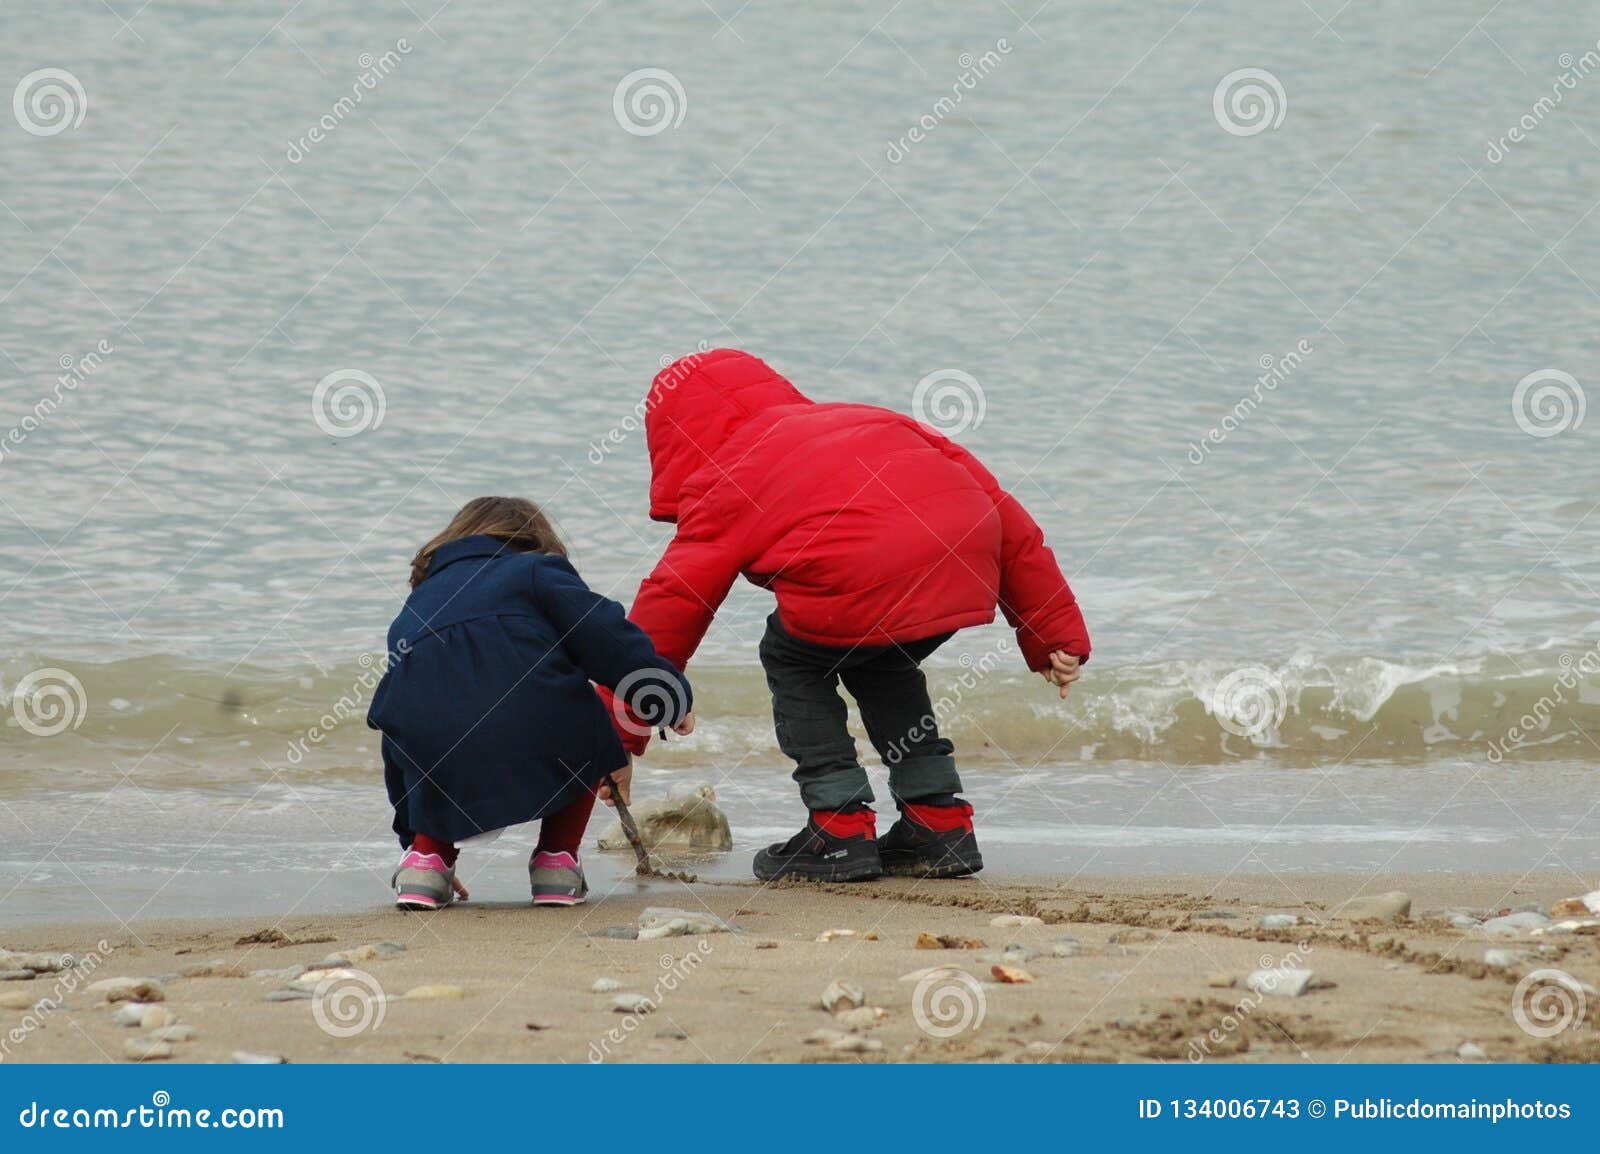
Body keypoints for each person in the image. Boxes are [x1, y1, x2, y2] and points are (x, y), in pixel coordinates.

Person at [602, 348, 1089, 882]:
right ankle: (939, 821)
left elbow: (673, 607)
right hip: (960, 561)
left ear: (676, 437)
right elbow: (1009, 518)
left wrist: (617, 738)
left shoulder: (727, 475)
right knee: (880, 659)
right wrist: (1050, 634)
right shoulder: (877, 419)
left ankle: (838, 828)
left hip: (867, 574)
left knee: (792, 655)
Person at [368, 496, 693, 909]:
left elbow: (397, 719)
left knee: (419, 721)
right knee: (584, 712)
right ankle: (555, 863)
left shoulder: (419, 602)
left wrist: (410, 840)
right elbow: (606, 639)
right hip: (534, 727)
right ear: (533, 539)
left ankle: (427, 863)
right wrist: (666, 697)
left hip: (431, 749)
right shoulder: (536, 570)